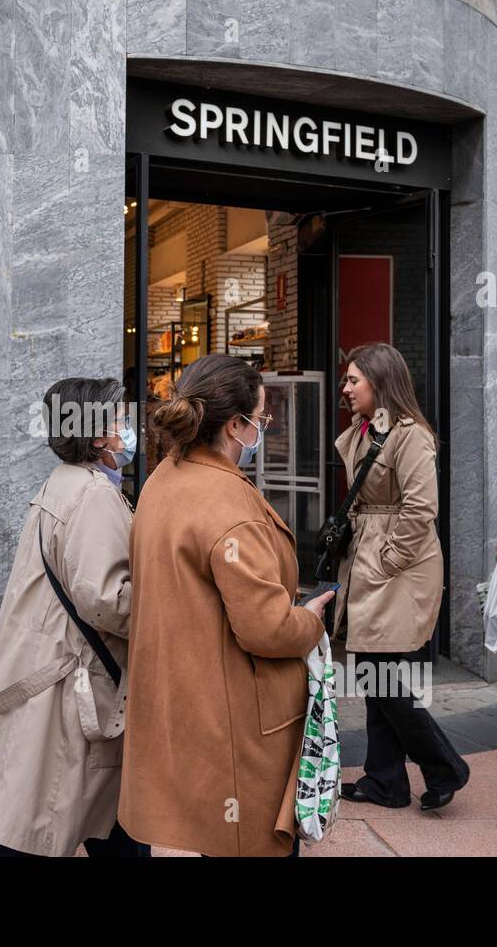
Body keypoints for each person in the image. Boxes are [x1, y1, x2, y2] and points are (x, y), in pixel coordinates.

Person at [118, 353, 333, 857]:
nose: (264, 428)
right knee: (247, 845)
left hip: (185, 707)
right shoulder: (229, 504)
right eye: (261, 419)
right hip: (237, 719)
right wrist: (309, 620)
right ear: (235, 425)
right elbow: (266, 629)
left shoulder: (162, 480)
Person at [0, 377, 148, 857]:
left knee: (71, 819)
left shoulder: (62, 484)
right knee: (44, 826)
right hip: (72, 687)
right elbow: (103, 599)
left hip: (53, 679)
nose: (130, 429)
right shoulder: (94, 495)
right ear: (97, 435)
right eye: (121, 419)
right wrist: (168, 595)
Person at [333, 342, 469, 812]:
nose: (345, 388)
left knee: (382, 677)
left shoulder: (412, 435)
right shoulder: (363, 432)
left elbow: (420, 508)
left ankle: (444, 766)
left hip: (399, 565)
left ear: (380, 382)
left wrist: (388, 560)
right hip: (370, 558)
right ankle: (384, 782)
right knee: (375, 677)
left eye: (354, 380)